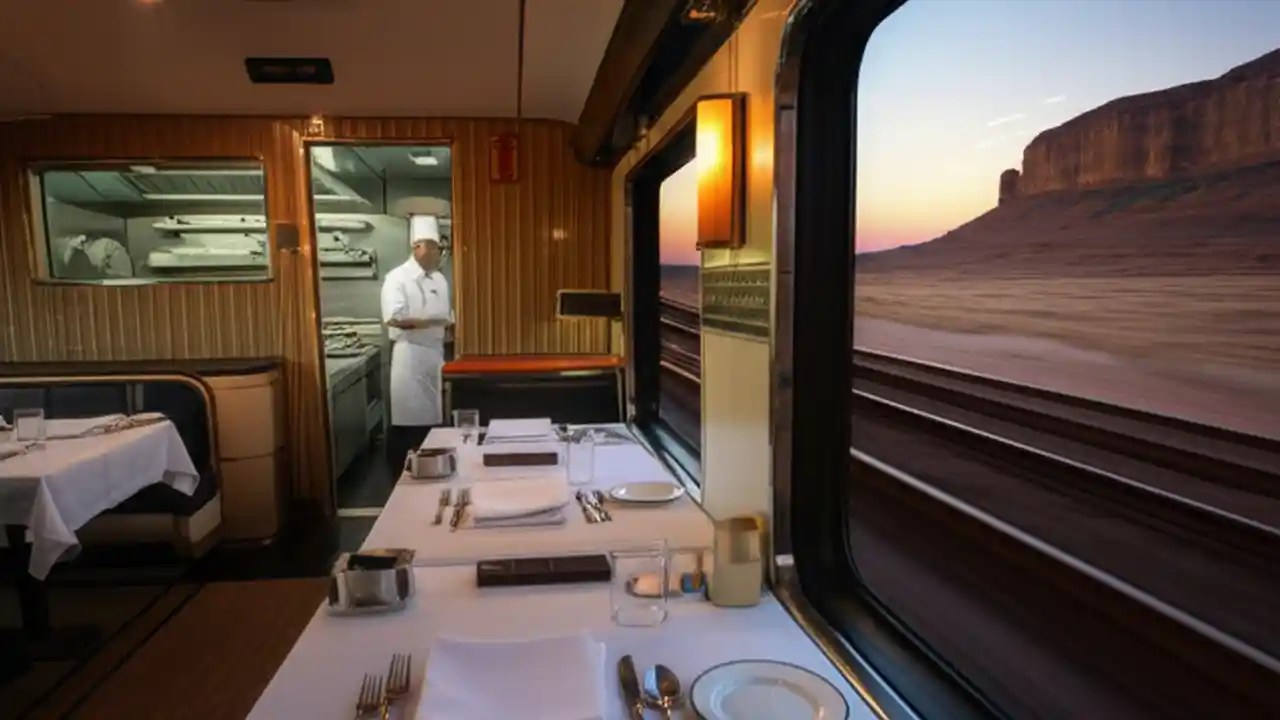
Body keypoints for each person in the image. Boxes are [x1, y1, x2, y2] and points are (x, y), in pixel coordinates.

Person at [380, 225, 452, 472]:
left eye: (439, 248)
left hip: (435, 356)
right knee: (409, 425)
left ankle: (433, 473)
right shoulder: (397, 278)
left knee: (434, 424)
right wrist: (434, 321)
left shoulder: (439, 280)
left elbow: (448, 318)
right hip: (410, 356)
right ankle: (402, 480)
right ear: (417, 247)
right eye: (433, 248)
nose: (437, 253)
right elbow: (394, 317)